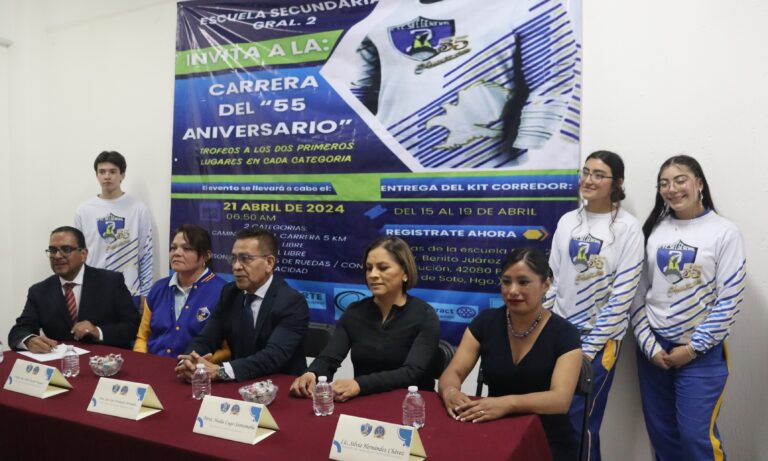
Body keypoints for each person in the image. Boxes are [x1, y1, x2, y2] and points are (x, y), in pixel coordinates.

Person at [339, 0, 580, 169]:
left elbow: (551, 84)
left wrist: (534, 155)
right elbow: (362, 89)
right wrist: (364, 151)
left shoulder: (522, 4)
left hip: (487, 167)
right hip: (396, 164)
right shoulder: (381, 15)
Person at [631, 155, 745, 461]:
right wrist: (649, 346)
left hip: (700, 353)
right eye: (664, 183)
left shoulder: (724, 231)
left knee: (698, 440)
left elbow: (730, 298)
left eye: (680, 180)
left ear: (699, 184)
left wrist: (693, 348)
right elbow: (638, 294)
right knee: (662, 436)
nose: (672, 188)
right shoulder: (653, 231)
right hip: (653, 351)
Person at [544, 150, 643, 460]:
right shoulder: (568, 221)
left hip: (600, 342)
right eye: (585, 172)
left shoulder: (627, 228)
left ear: (617, 183)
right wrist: (547, 330)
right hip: (560, 335)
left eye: (599, 174)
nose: (588, 180)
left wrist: (589, 349)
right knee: (553, 420)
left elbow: (623, 294)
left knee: (580, 421)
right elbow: (553, 280)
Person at [438, 247, 582, 461]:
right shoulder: (485, 322)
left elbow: (560, 400)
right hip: (495, 429)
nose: (512, 290)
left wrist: (506, 404)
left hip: (548, 440)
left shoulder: (565, 333)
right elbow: (454, 371)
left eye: (523, 282)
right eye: (506, 281)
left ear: (546, 285)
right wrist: (449, 391)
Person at [290, 236, 440, 402]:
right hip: (365, 402)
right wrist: (313, 373)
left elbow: (412, 372)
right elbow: (330, 357)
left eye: (383, 268)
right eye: (369, 268)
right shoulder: (355, 312)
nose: (373, 275)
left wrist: (359, 385)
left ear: (405, 273)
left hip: (412, 404)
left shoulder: (424, 315)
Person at [175, 228, 309, 382]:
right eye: (234, 258)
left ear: (269, 263)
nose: (236, 266)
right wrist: (189, 362)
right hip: (239, 384)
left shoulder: (291, 302)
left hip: (280, 386)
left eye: (245, 259)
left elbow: (273, 356)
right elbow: (206, 339)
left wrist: (221, 371)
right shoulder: (230, 293)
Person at [7, 226, 140, 352]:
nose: (57, 256)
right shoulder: (39, 291)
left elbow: (134, 326)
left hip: (107, 363)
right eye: (52, 250)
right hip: (61, 366)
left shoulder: (111, 282)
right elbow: (19, 331)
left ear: (83, 254)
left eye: (66, 249)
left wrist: (98, 331)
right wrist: (29, 340)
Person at [133, 224, 227, 358]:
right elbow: (143, 338)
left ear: (206, 256)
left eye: (187, 248)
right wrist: (140, 362)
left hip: (195, 373)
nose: (177, 253)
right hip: (152, 367)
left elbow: (227, 349)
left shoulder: (223, 292)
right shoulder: (158, 288)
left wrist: (201, 365)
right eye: (173, 248)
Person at [74, 150, 154, 300]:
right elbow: (78, 255)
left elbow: (146, 253)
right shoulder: (83, 210)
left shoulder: (138, 208)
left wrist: (146, 293)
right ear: (96, 175)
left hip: (130, 291)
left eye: (113, 171)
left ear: (122, 175)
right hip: (94, 291)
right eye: (102, 171)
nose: (107, 176)